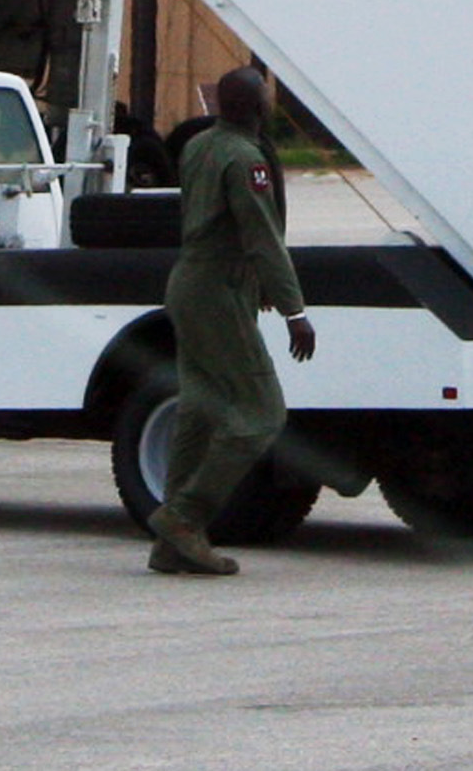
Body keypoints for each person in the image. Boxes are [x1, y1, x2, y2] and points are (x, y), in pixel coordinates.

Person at [149, 63, 314, 575]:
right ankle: (184, 516)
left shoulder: (200, 146)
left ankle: (172, 545)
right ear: (256, 108)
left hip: (190, 283)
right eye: (264, 98)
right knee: (261, 413)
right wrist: (295, 310)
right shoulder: (246, 160)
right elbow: (261, 237)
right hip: (220, 290)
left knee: (200, 408)